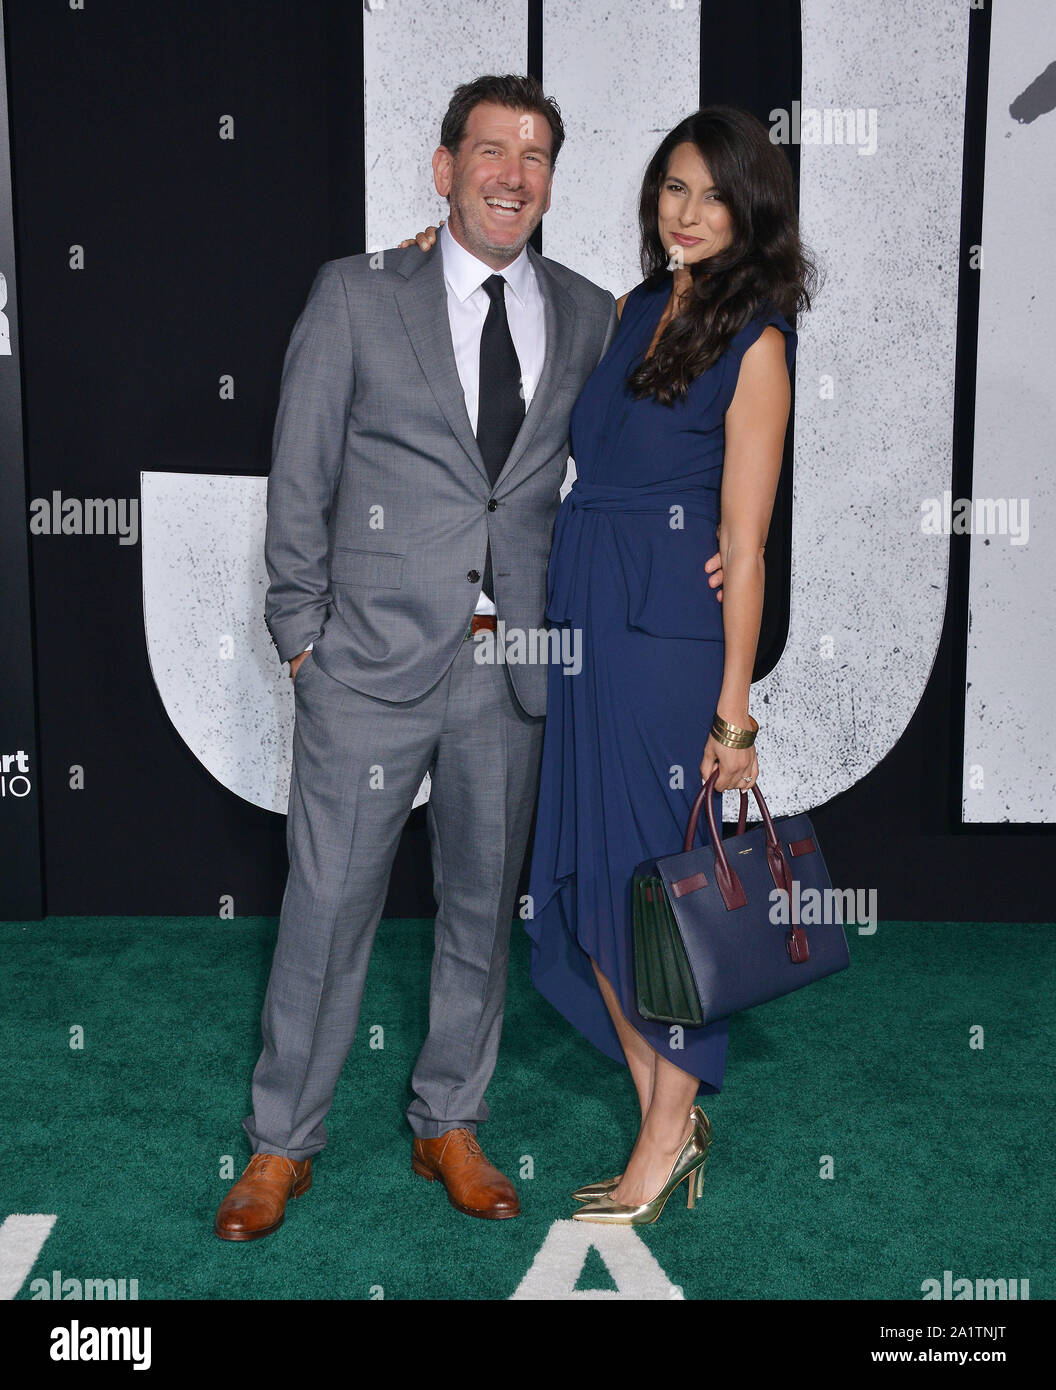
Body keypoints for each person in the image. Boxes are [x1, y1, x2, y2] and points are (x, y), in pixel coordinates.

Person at [213, 74, 728, 1241]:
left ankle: (450, 1117)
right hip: (368, 667)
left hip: (517, 668)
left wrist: (724, 553)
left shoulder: (598, 312)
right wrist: (304, 642)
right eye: (490, 150)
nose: (513, 173)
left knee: (478, 911)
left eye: (535, 155)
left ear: (553, 182)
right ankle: (281, 1141)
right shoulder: (355, 295)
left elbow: (677, 433)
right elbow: (299, 480)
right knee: (327, 908)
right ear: (443, 169)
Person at [525, 105, 817, 1226]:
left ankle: (662, 1135)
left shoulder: (761, 343)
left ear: (752, 212)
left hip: (666, 648)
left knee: (662, 885)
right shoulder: (635, 308)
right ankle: (671, 1110)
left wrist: (733, 712)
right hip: (589, 619)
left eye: (712, 195)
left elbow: (743, 546)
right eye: (673, 189)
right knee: (599, 882)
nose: (688, 213)